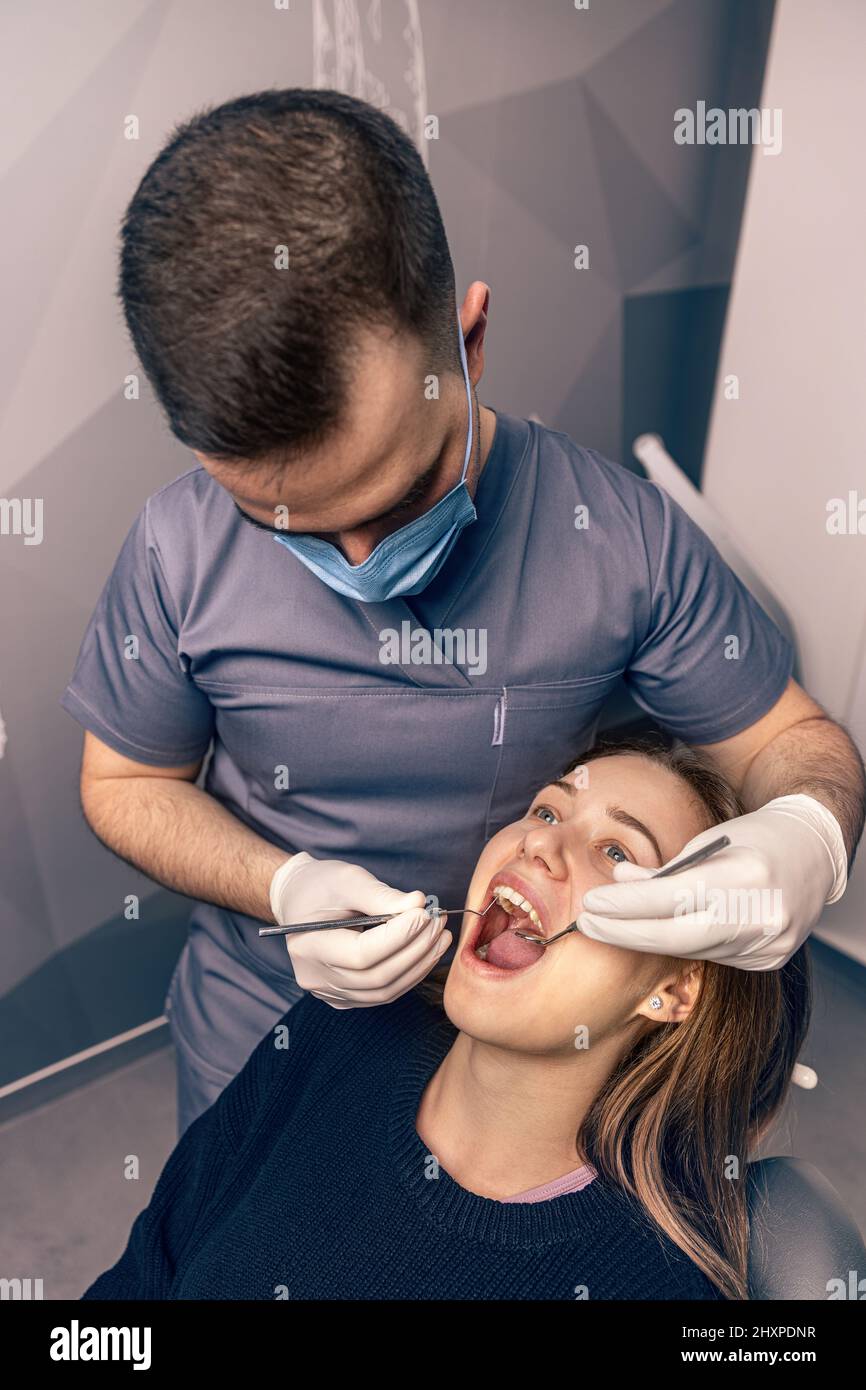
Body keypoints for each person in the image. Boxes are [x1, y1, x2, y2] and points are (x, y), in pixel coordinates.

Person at [61, 88, 862, 1137]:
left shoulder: (622, 541)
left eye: (395, 499)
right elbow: (124, 781)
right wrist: (280, 885)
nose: (361, 563)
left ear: (468, 342)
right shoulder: (175, 545)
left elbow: (794, 743)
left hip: (506, 1064)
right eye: (286, 524)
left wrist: (804, 833)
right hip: (259, 1033)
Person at [81, 738, 810, 1301]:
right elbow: (150, 1270)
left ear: (674, 989)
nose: (539, 842)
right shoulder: (339, 1028)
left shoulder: (651, 1281)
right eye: (547, 810)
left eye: (616, 850)